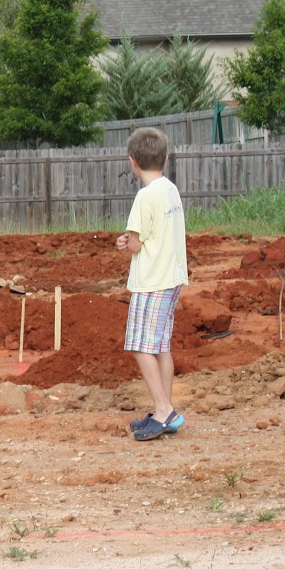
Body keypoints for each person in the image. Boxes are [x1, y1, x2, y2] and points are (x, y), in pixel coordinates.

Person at [116, 127, 190, 442]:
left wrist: (124, 242)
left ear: (133, 161)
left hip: (152, 282)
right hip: (172, 278)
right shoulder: (170, 189)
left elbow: (135, 243)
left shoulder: (145, 197)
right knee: (160, 346)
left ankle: (163, 411)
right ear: (165, 158)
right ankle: (166, 409)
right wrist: (134, 239)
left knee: (139, 346)